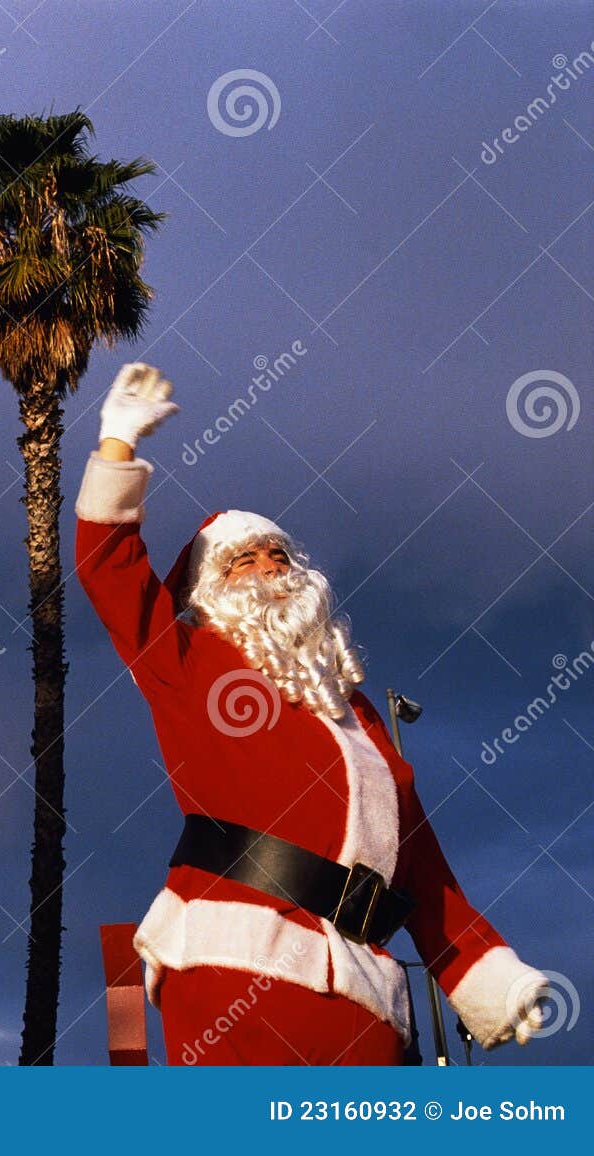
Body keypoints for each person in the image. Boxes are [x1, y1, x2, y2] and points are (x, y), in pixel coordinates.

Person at [74, 362, 551, 1065]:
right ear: (210, 590)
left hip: (362, 996)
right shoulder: (188, 659)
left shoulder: (361, 720)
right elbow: (109, 569)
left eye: (278, 553)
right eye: (241, 560)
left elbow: (425, 873)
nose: (269, 567)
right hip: (230, 965)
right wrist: (117, 442)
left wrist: (486, 977)